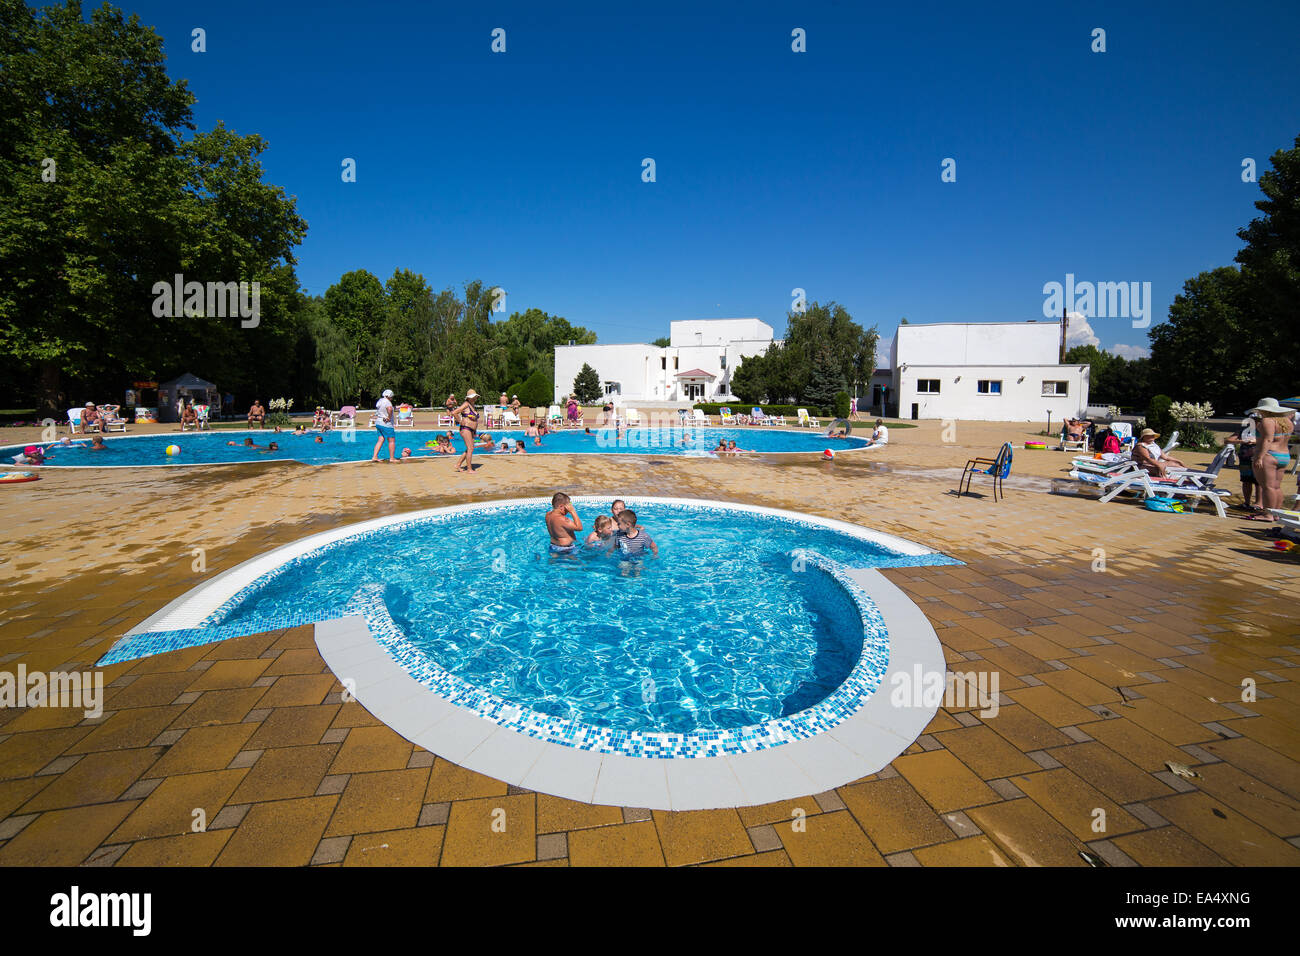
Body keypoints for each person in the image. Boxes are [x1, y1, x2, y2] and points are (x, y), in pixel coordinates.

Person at [1250, 398, 1294, 517]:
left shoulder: (1267, 421)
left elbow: (1268, 439)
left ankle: (1267, 514)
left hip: (1270, 455)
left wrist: (1259, 457)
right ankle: (1276, 513)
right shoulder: (1287, 422)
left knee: (1267, 487)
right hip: (1284, 455)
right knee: (1276, 487)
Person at [1226, 412, 1261, 512]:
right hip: (1245, 460)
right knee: (1246, 481)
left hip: (1257, 459)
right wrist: (1242, 441)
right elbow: (1228, 440)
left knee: (1258, 482)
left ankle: (1259, 503)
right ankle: (1246, 503)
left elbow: (1269, 441)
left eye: (1257, 420)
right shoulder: (1244, 431)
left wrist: (1255, 441)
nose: (1255, 422)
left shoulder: (1264, 431)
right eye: (1253, 420)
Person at [454, 390, 481, 472]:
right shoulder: (466, 404)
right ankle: (469, 469)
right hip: (466, 428)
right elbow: (455, 412)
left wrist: (475, 431)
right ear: (469, 398)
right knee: (470, 448)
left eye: (475, 397)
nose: (474, 399)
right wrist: (460, 420)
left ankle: (458, 464)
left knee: (470, 448)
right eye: (472, 397)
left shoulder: (473, 405)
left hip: (471, 430)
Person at [371, 388, 398, 463]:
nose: (392, 398)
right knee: (391, 441)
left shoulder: (380, 401)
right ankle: (392, 458)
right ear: (389, 396)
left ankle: (375, 456)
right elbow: (390, 409)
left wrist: (399, 407)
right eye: (392, 397)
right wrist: (389, 417)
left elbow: (386, 408)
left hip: (378, 422)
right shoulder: (388, 402)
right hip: (386, 424)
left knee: (380, 440)